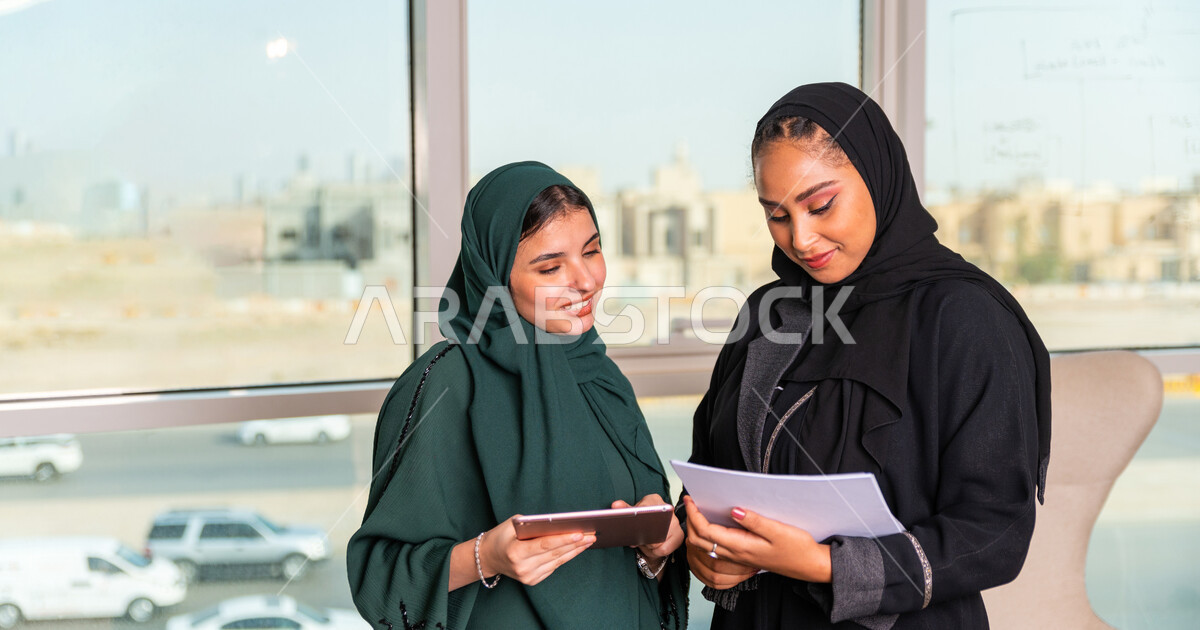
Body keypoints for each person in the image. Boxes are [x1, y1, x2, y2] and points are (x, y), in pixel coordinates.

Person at [681, 82, 1051, 628]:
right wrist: (704, 548)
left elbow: (995, 532)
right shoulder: (768, 313)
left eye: (820, 205)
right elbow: (707, 480)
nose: (801, 239)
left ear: (878, 177)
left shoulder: (962, 316)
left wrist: (826, 565)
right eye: (777, 215)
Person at [347, 161, 688, 630]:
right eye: (550, 267)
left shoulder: (602, 377)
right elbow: (379, 577)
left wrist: (657, 549)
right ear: (495, 277)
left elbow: (650, 562)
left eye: (592, 251)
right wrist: (486, 556)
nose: (586, 280)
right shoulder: (448, 384)